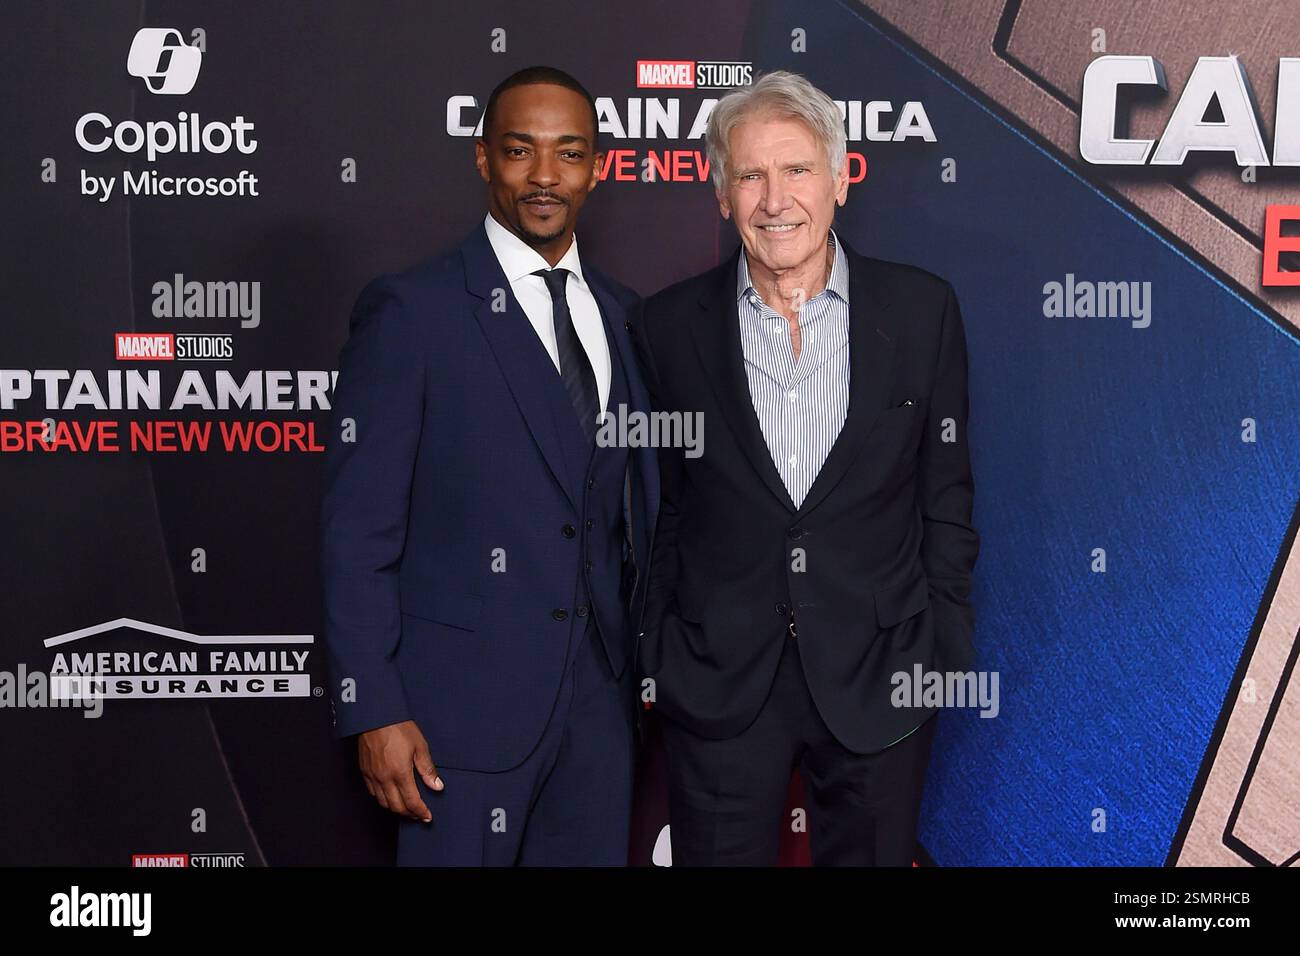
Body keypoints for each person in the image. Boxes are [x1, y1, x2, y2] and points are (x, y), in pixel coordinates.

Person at [633, 70, 978, 866]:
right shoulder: (665, 325)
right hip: (718, 682)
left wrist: (943, 651)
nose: (774, 199)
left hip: (882, 674)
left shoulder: (922, 312)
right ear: (721, 195)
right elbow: (665, 509)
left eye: (796, 170)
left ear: (839, 179)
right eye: (749, 175)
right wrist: (659, 656)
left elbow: (947, 499)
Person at [319, 66, 658, 866]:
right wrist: (372, 707)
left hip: (599, 723)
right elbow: (356, 527)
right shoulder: (415, 312)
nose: (545, 176)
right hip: (451, 725)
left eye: (569, 154)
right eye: (520, 151)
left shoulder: (626, 314)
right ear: (483, 160)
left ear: (597, 168)